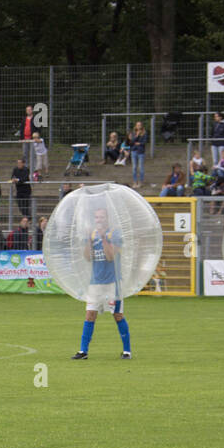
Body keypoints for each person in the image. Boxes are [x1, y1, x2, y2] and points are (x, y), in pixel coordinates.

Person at [71, 205, 132, 360]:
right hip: (95, 282)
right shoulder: (91, 235)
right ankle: (83, 351)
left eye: (102, 217)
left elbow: (111, 256)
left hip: (113, 283)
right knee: (90, 314)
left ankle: (127, 351)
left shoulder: (115, 234)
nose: (99, 220)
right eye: (97, 217)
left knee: (117, 315)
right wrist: (89, 241)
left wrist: (103, 237)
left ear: (107, 219)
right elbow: (87, 257)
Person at [129, 122, 147, 188]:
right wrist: (137, 136)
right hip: (134, 151)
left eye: (140, 125)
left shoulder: (144, 133)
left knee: (140, 167)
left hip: (141, 151)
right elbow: (131, 142)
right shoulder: (133, 133)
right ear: (136, 126)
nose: (139, 126)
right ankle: (135, 181)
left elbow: (144, 142)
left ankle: (141, 182)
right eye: (137, 125)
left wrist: (139, 143)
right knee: (134, 167)